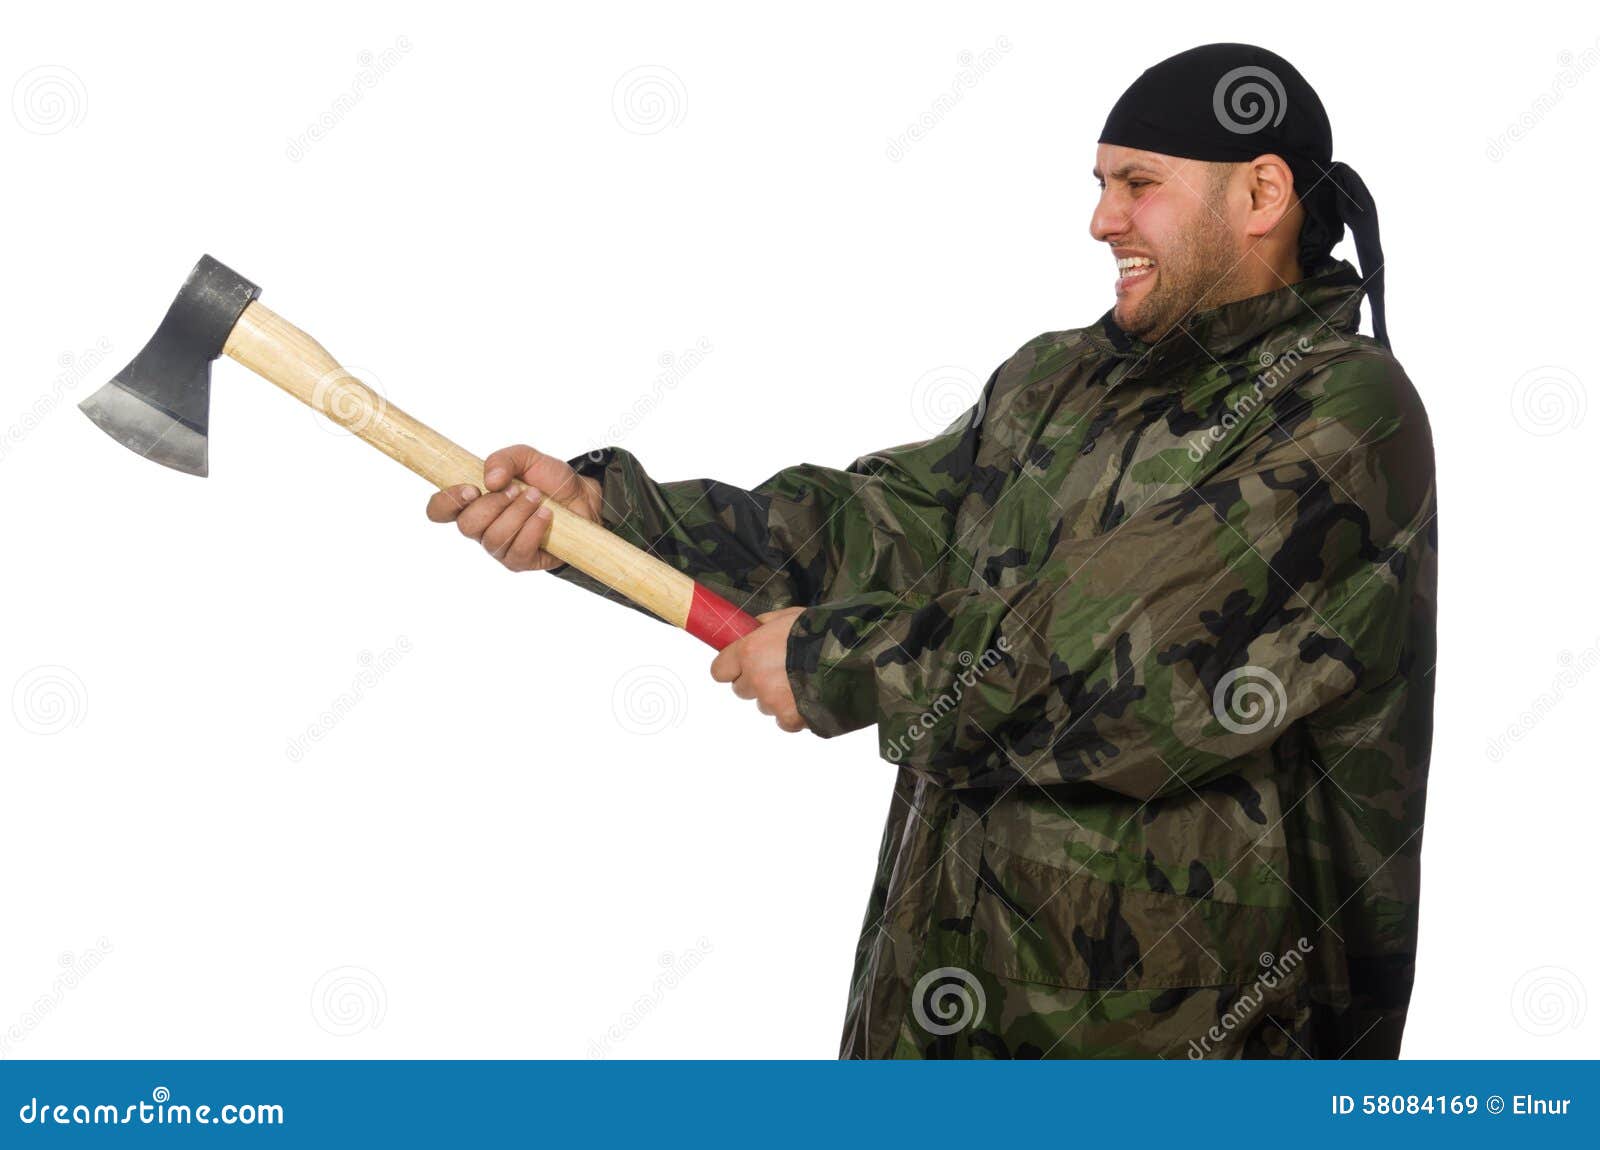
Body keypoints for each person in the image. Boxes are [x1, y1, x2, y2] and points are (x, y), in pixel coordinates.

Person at [425, 42, 1436, 1059]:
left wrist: (834, 661)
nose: (1100, 220)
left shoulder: (1343, 414)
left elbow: (1120, 660)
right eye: (1099, 185)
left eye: (1139, 185)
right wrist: (603, 517)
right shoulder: (1055, 381)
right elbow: (869, 529)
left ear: (1262, 193)